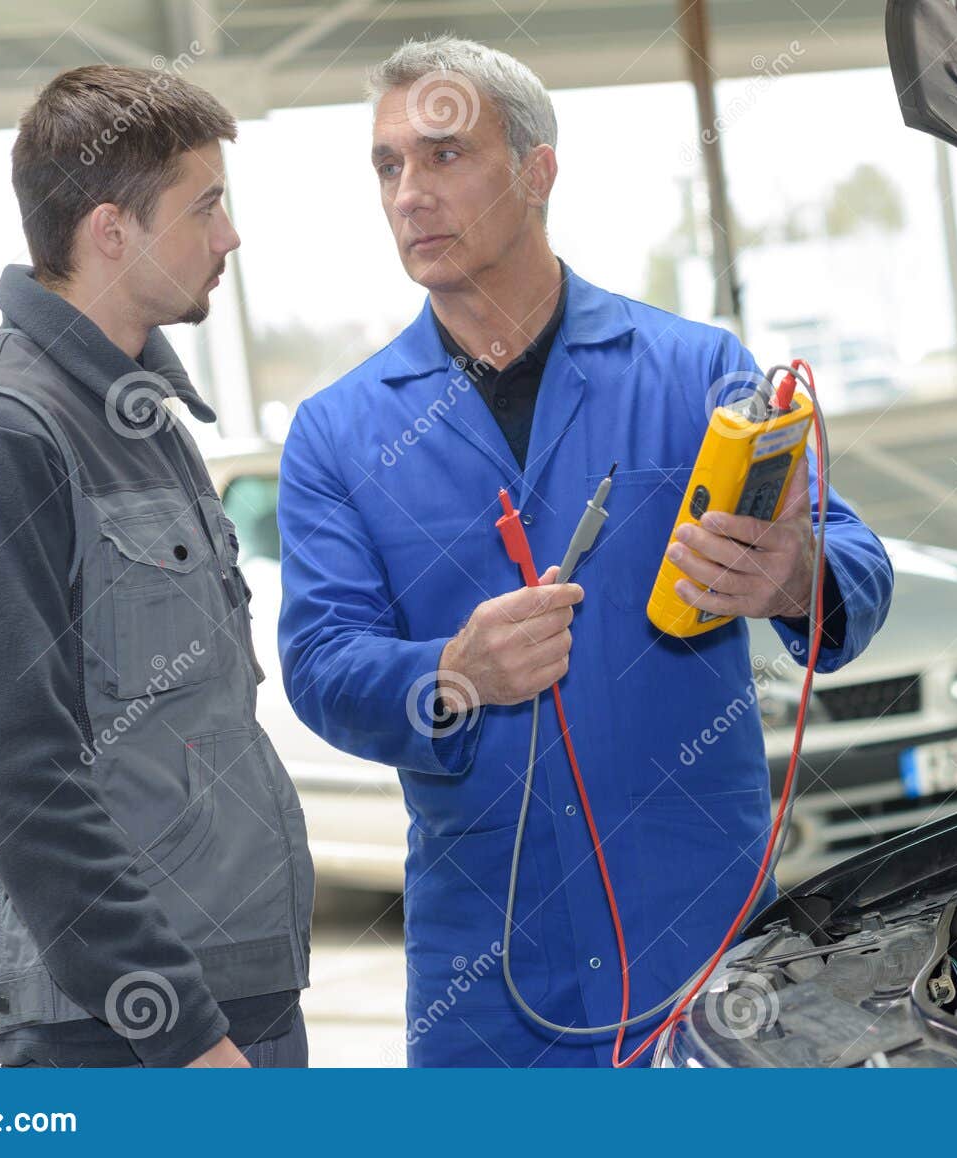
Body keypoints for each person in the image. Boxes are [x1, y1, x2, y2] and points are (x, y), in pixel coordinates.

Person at [277, 35, 893, 1067]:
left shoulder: (697, 371)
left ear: (537, 171)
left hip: (703, 935)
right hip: (487, 970)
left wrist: (796, 576)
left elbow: (852, 556)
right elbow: (320, 663)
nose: (409, 194)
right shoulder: (339, 433)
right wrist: (450, 674)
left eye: (443, 155)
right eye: (388, 166)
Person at [0, 65, 312, 1068]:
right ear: (111, 230)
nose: (229, 236)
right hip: (116, 1030)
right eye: (205, 206)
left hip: (236, 984)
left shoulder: (142, 420)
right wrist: (179, 1026)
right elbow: (14, 775)